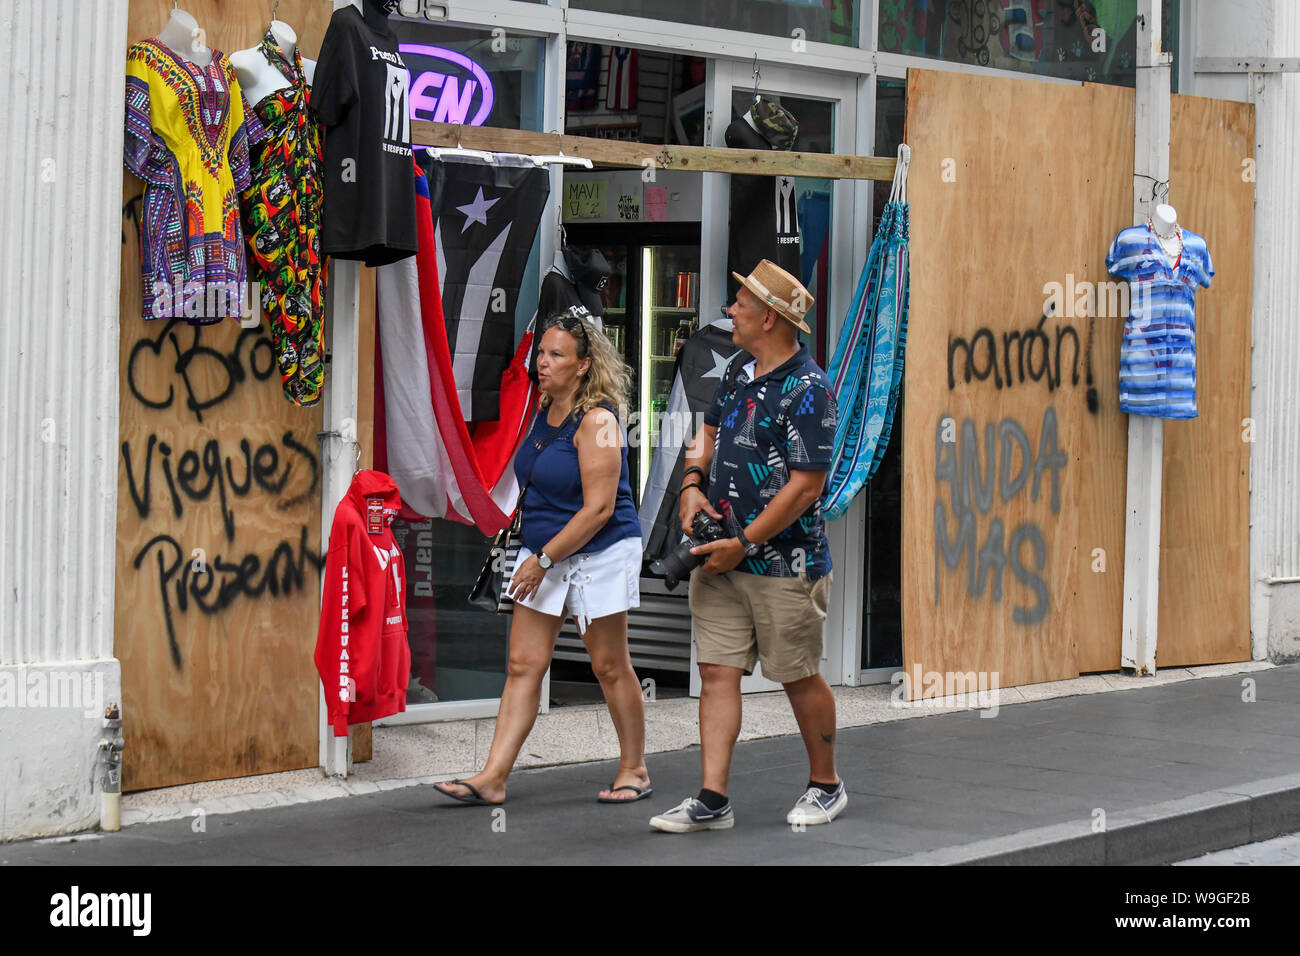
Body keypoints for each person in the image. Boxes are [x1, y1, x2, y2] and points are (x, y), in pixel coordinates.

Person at [649, 259, 843, 833]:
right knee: (715, 672)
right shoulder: (736, 368)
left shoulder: (811, 390)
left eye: (740, 303)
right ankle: (713, 798)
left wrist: (746, 541)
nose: (730, 310)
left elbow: (808, 485)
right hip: (720, 556)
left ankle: (826, 784)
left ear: (771, 318)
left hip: (787, 564)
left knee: (797, 674)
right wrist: (689, 485)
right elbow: (704, 435)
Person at [435, 307, 651, 806]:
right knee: (522, 663)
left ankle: (634, 769)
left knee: (609, 665)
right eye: (541, 353)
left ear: (583, 365)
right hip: (545, 549)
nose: (543, 362)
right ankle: (493, 777)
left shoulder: (598, 419)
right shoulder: (540, 408)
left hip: (596, 550)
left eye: (557, 355)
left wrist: (544, 560)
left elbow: (598, 510)